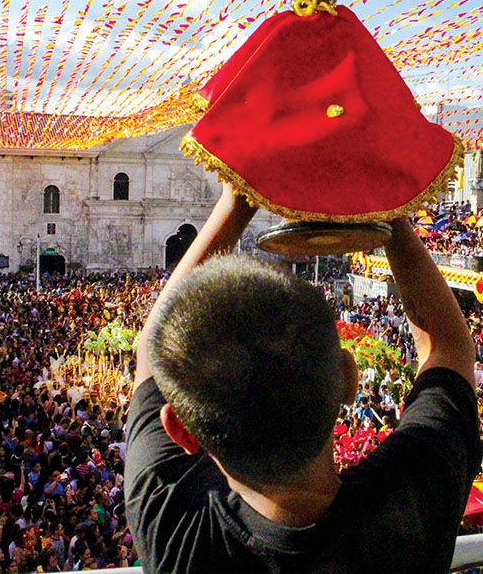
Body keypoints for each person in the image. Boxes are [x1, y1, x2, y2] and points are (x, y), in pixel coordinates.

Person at [126, 184, 481, 571]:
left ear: (180, 429)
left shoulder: (173, 527)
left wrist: (237, 196)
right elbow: (448, 347)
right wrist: (388, 208)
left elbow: (153, 352)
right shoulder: (412, 507)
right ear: (350, 378)